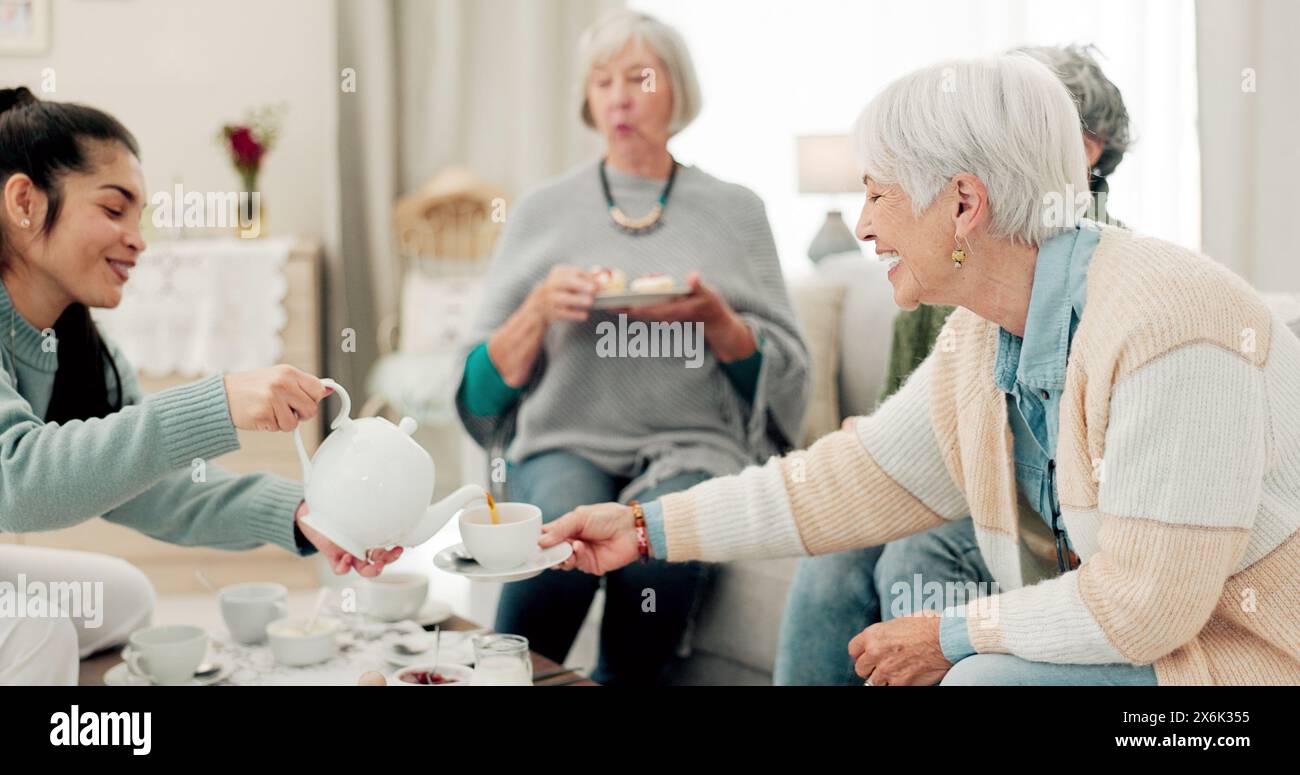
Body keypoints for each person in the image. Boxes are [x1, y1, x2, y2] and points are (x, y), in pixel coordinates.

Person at [538, 54, 1300, 686]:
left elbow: (1145, 608)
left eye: (877, 193)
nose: (864, 225)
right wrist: (644, 527)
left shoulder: (1169, 325)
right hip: (1152, 652)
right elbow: (843, 480)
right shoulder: (982, 341)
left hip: (1237, 674)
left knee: (980, 678)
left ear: (964, 201)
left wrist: (954, 631)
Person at [0, 87, 401, 685]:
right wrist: (217, 402)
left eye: (140, 217)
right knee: (38, 628)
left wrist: (300, 513)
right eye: (114, 210)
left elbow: (149, 488)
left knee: (124, 596)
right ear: (24, 200)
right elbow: (18, 484)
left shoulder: (80, 343)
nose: (138, 239)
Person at [454, 9, 809, 685]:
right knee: (560, 536)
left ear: (678, 90)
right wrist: (535, 310)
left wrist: (717, 319)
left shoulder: (736, 210)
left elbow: (789, 376)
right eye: (602, 79)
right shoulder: (541, 211)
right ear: (587, 99)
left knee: (656, 549)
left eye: (639, 77)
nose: (618, 95)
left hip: (693, 442)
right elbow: (477, 391)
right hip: (566, 437)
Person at [776, 43, 1134, 685]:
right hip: (952, 483)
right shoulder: (926, 273)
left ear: (1089, 152)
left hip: (1028, 518)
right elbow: (896, 426)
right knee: (834, 550)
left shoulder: (1113, 279)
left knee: (916, 552)